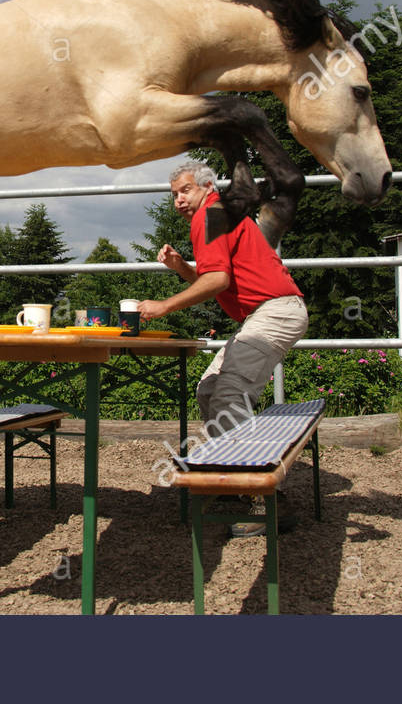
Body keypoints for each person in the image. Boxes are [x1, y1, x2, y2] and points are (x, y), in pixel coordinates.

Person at [138, 160, 308, 536]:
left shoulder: (210, 215)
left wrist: (163, 305)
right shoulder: (218, 215)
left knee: (229, 395)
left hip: (275, 311)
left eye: (185, 190)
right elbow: (215, 277)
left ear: (207, 186)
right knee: (211, 390)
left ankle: (269, 502)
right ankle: (235, 485)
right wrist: (182, 266)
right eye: (174, 195)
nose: (179, 200)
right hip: (270, 312)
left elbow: (217, 281)